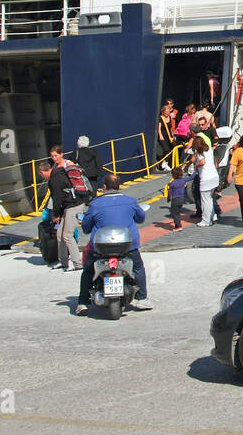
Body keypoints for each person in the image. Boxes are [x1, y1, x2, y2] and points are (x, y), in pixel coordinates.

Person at [75, 174, 150, 314]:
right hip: (128, 246)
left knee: (87, 271)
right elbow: (140, 218)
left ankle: (83, 302)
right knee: (138, 268)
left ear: (104, 187)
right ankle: (142, 298)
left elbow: (86, 228)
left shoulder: (95, 204)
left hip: (100, 248)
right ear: (118, 186)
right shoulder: (130, 201)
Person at [40, 150, 85, 271]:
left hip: (74, 206)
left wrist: (55, 214)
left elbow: (57, 198)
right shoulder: (57, 173)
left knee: (67, 235)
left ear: (42, 172)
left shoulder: (54, 178)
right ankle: (63, 261)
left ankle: (77, 263)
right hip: (67, 206)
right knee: (60, 235)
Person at [190, 134, 218, 226]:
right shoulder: (209, 149)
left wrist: (196, 166)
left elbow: (202, 162)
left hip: (206, 179)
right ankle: (213, 216)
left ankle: (206, 221)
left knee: (205, 201)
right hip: (214, 176)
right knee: (209, 198)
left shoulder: (199, 152)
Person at [157, 99, 177, 169]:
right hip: (163, 136)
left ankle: (166, 164)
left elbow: (170, 127)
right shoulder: (160, 118)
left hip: (169, 136)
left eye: (168, 112)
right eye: (165, 112)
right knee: (166, 149)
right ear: (163, 111)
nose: (167, 113)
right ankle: (163, 163)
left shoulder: (169, 118)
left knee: (170, 149)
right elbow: (159, 128)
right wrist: (160, 135)